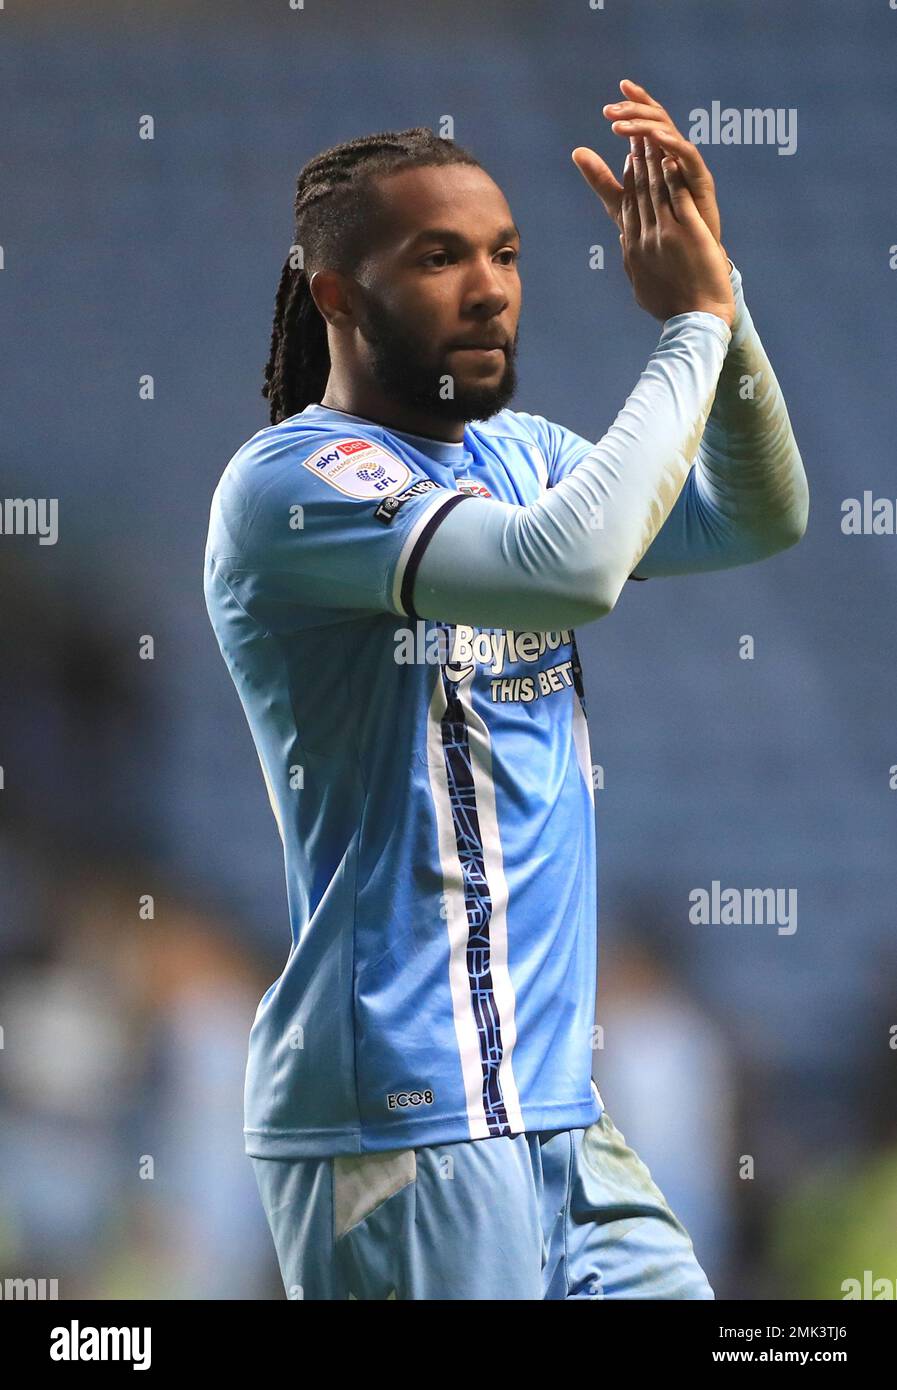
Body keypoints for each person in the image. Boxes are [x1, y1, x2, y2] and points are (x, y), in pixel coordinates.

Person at [204, 77, 808, 1300]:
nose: (489, 287)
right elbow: (569, 569)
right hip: (404, 1114)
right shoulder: (294, 485)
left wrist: (724, 305)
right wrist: (687, 331)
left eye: (507, 253)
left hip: (559, 1113)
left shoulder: (521, 453)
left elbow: (758, 516)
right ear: (337, 294)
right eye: (440, 257)